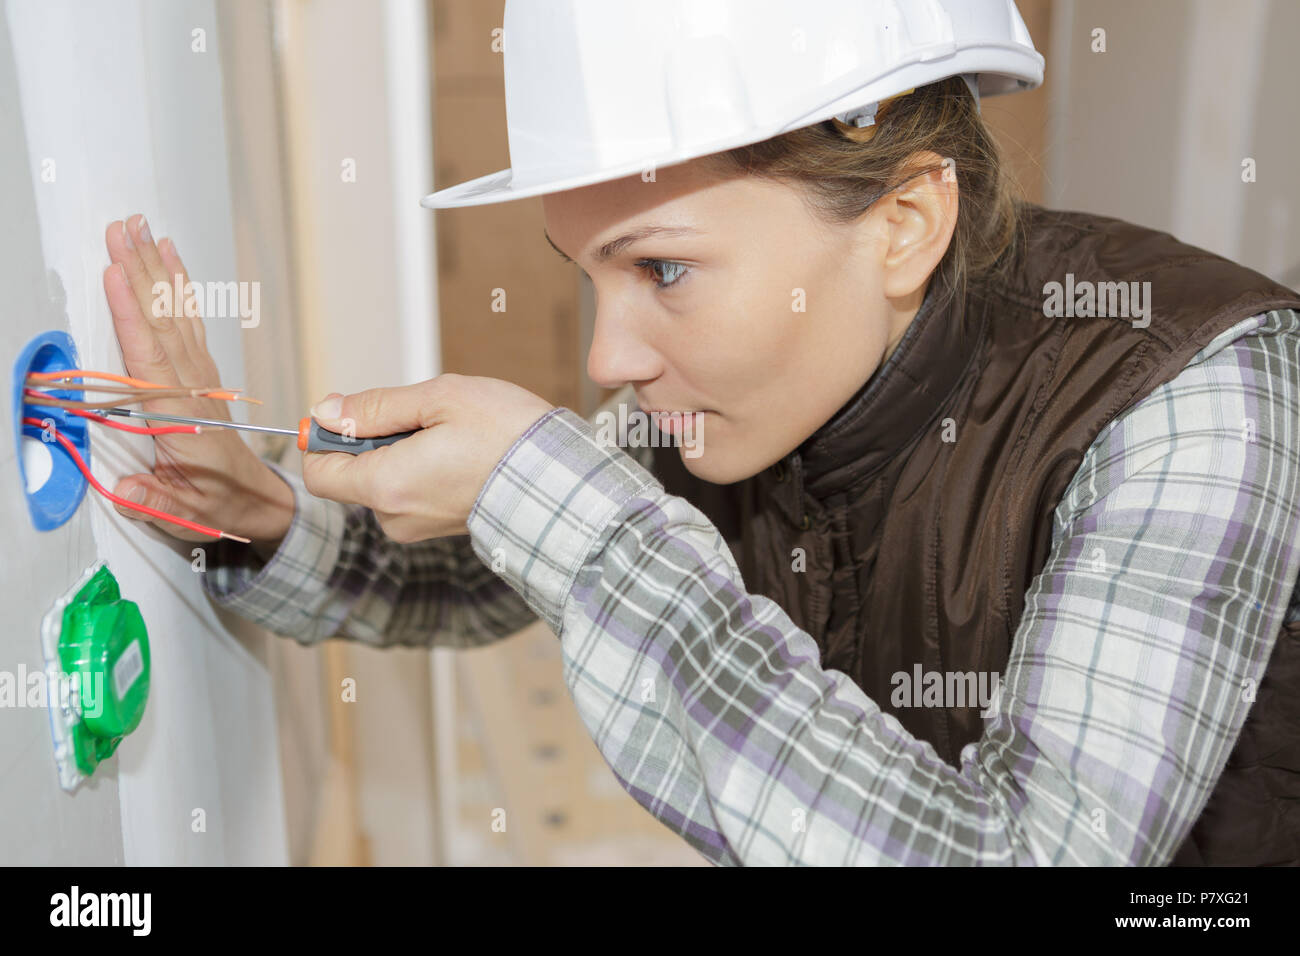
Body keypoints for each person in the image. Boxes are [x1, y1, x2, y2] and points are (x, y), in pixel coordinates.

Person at [101, 0, 1300, 865]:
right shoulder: (752, 384)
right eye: (588, 276)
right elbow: (479, 575)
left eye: (664, 268)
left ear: (902, 223)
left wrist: (569, 508)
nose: (604, 361)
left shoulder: (1192, 394)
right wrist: (254, 510)